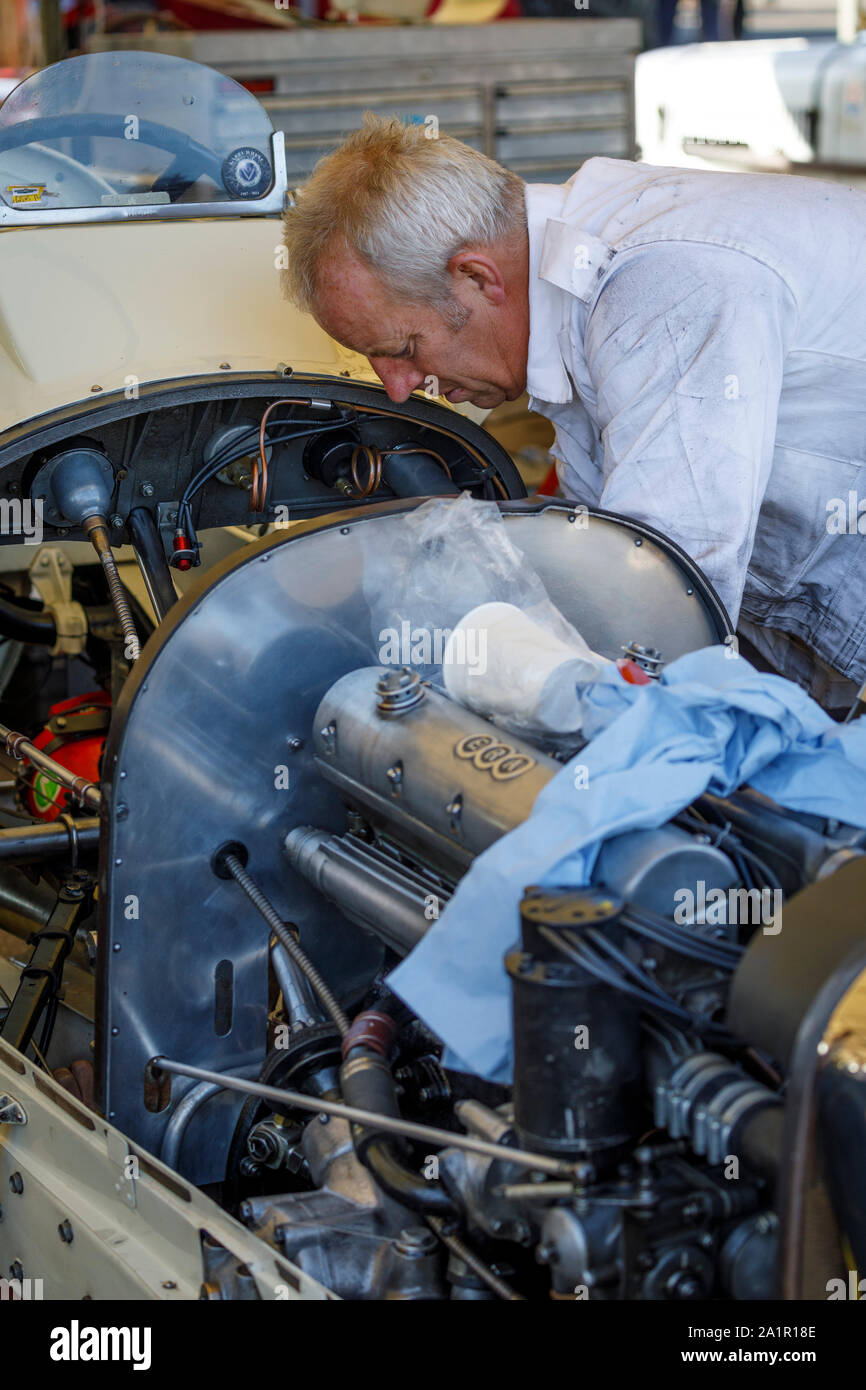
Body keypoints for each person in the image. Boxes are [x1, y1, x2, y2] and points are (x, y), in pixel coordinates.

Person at [281, 116, 866, 713]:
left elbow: (665, 604)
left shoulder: (662, 288)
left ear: (476, 278)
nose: (399, 389)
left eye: (405, 349)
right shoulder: (574, 262)